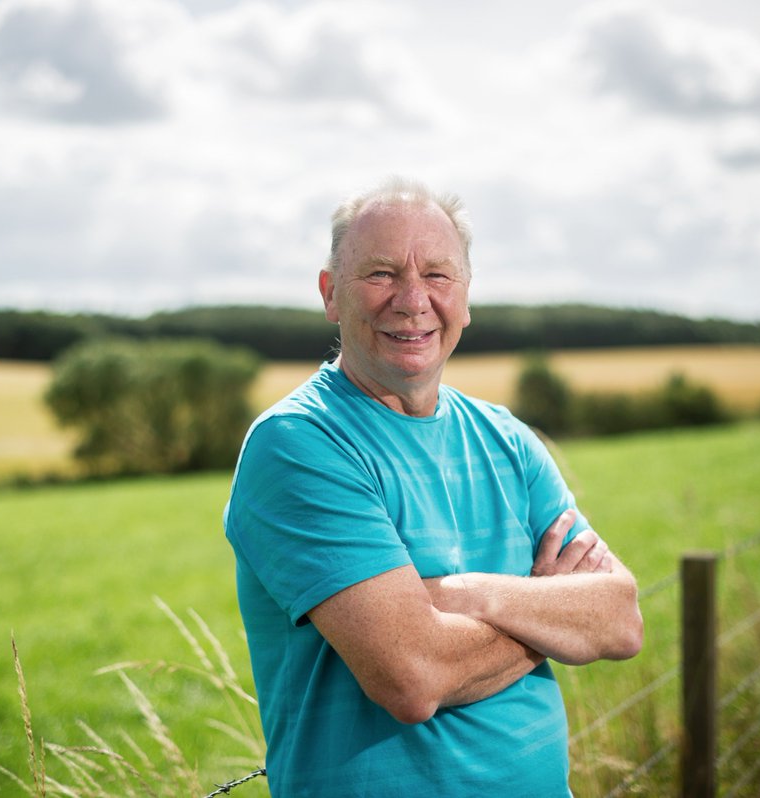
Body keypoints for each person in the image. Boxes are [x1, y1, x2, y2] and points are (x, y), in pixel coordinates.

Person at [223, 176, 643, 797]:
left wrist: (469, 595)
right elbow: (412, 678)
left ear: (466, 298)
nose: (413, 299)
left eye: (438, 275)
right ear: (330, 293)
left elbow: (620, 618)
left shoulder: (506, 437)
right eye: (381, 274)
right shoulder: (299, 443)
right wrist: (547, 609)